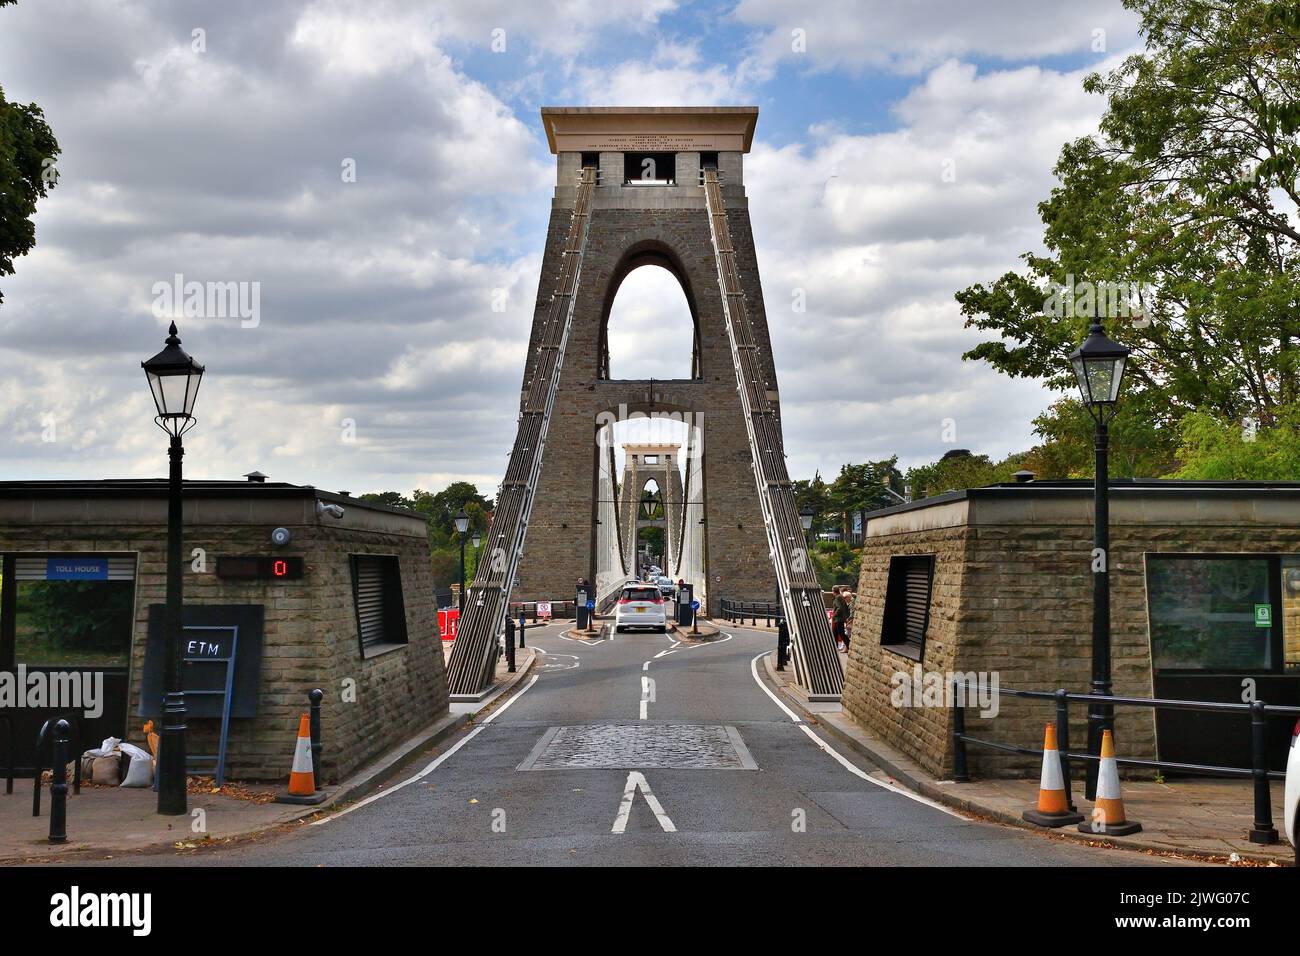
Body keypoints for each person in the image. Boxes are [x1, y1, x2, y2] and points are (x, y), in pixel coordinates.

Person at [831, 585, 850, 652]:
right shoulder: (840, 596)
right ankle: (834, 647)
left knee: (841, 633)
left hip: (838, 619)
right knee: (835, 633)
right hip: (839, 619)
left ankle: (849, 645)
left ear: (833, 591)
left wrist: (834, 615)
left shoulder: (837, 597)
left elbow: (839, 608)